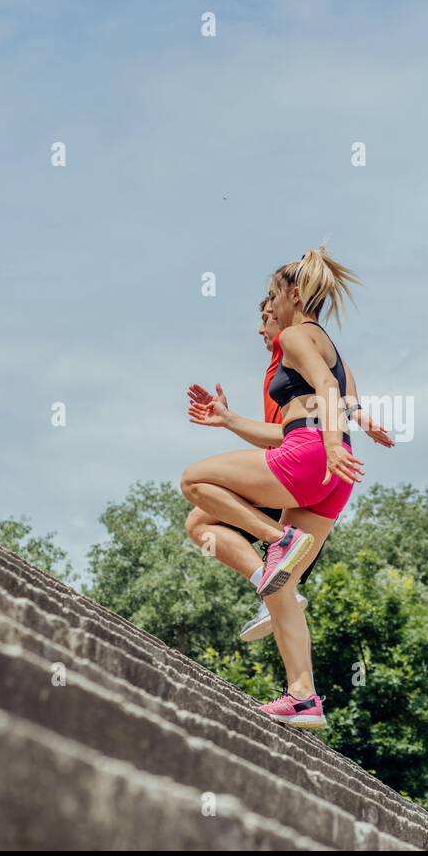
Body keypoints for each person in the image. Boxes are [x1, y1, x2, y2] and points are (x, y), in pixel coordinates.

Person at [180, 245, 390, 729]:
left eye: (273, 295)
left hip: (316, 455)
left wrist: (333, 442)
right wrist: (232, 420)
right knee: (282, 586)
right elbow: (335, 403)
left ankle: (279, 541)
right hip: (331, 471)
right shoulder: (328, 345)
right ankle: (303, 696)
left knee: (193, 481)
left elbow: (328, 397)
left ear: (295, 294)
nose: (267, 307)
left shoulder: (296, 336)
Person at [184, 296, 313, 643]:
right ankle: (272, 587)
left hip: (296, 476)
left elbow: (300, 431)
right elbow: (282, 433)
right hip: (284, 470)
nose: (261, 328)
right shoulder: (278, 366)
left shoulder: (296, 359)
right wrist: (229, 420)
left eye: (268, 318)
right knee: (199, 522)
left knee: (196, 493)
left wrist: (230, 420)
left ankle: (280, 545)